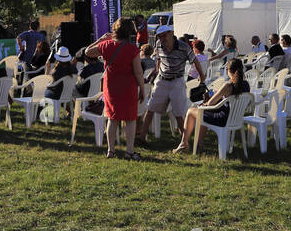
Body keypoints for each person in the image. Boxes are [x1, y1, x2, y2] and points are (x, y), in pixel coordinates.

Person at [85, 18, 147, 160]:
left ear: (115, 30)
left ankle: (111, 151)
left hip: (111, 86)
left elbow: (88, 52)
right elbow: (138, 72)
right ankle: (129, 151)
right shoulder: (133, 49)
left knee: (112, 118)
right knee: (130, 119)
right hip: (128, 86)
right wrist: (142, 89)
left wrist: (100, 39)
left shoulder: (106, 45)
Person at [174, 58, 251, 155]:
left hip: (222, 119)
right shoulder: (246, 85)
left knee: (191, 112)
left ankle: (184, 144)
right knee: (203, 114)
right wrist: (211, 94)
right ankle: (199, 146)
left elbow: (210, 103)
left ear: (229, 70)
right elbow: (218, 93)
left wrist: (205, 102)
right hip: (235, 119)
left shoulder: (228, 86)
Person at [142, 26, 203, 145]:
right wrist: (156, 71)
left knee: (178, 113)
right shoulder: (159, 44)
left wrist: (202, 77)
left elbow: (195, 61)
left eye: (165, 35)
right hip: (162, 80)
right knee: (150, 109)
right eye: (160, 36)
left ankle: (184, 142)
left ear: (171, 34)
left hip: (177, 81)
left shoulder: (183, 47)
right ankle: (142, 138)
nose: (162, 38)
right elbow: (159, 58)